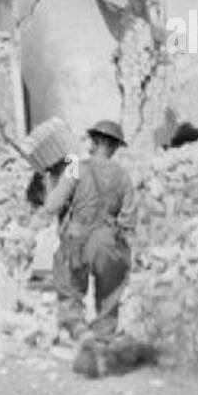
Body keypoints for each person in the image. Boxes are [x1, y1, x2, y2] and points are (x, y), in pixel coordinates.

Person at [43, 119, 136, 342]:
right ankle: (103, 339)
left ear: (96, 141)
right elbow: (129, 220)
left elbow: (51, 206)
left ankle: (79, 332)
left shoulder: (77, 167)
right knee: (110, 296)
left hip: (77, 240)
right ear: (114, 146)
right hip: (107, 242)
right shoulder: (123, 175)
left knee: (69, 293)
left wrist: (49, 181)